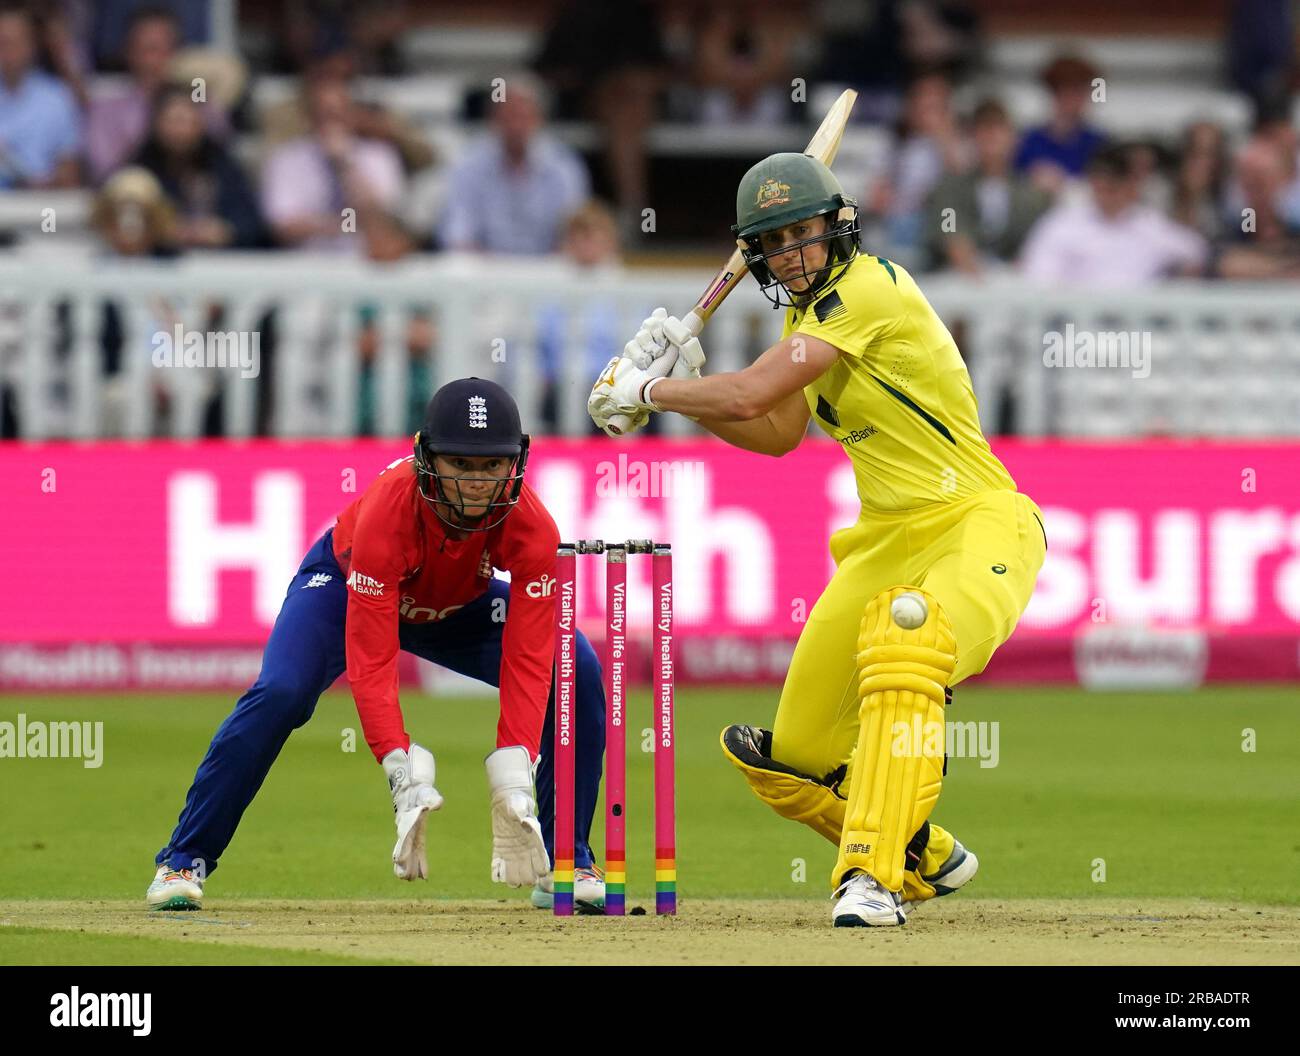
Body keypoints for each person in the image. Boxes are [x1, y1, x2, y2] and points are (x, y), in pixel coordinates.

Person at [587, 152, 1047, 927]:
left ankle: (869, 877)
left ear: (838, 229)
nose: (794, 252)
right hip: (884, 540)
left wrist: (648, 389)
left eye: (805, 233)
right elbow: (772, 431)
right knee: (788, 759)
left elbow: (751, 392)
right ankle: (926, 853)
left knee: (909, 649)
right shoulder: (805, 320)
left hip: (978, 521)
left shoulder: (869, 289)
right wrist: (684, 393)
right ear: (757, 255)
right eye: (776, 241)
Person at [148, 379, 608, 914]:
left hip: (456, 608)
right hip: (344, 591)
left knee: (575, 665)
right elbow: (371, 659)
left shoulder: (532, 526)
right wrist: (398, 765)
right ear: (427, 457)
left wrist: (515, 772)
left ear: (516, 461)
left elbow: (530, 657)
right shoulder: (390, 512)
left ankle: (567, 860)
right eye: (460, 464)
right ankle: (184, 859)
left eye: (491, 466)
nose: (477, 484)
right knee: (282, 692)